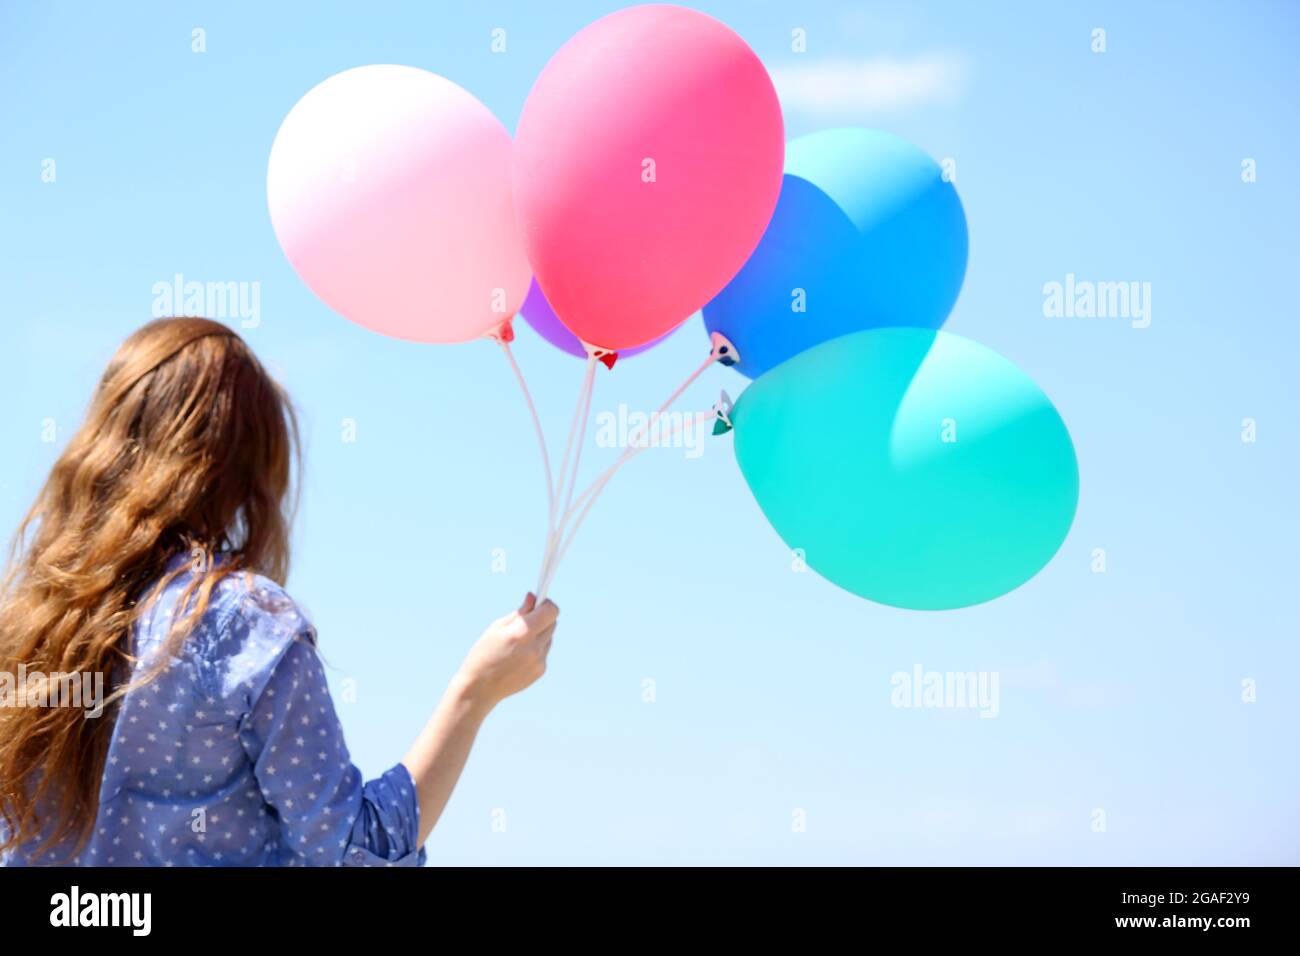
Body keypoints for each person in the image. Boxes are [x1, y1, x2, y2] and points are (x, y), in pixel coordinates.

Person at [0, 317, 558, 866]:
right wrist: (474, 691)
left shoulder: (20, 630)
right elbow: (348, 850)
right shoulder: (244, 624)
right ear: (244, 469)